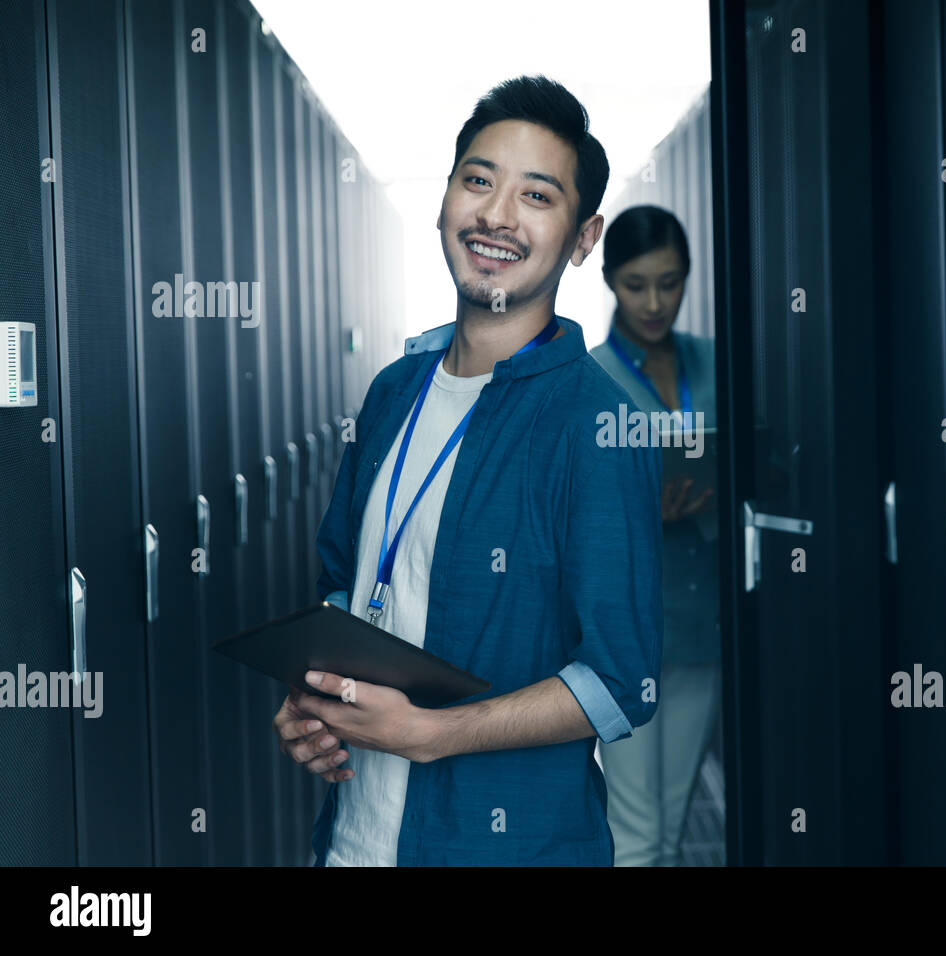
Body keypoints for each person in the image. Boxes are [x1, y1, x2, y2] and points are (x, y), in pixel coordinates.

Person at [271, 75, 664, 866]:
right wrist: (315, 701)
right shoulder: (393, 392)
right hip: (354, 841)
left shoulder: (596, 423)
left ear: (584, 239)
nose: (496, 216)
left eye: (537, 196)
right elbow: (348, 588)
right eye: (478, 181)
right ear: (445, 198)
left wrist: (431, 735)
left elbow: (622, 681)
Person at [589, 205, 721, 866]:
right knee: (636, 829)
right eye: (637, 284)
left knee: (670, 823)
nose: (653, 301)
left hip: (702, 620)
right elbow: (568, 514)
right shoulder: (588, 380)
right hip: (624, 630)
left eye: (669, 283)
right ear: (610, 279)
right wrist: (646, 511)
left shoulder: (717, 362)